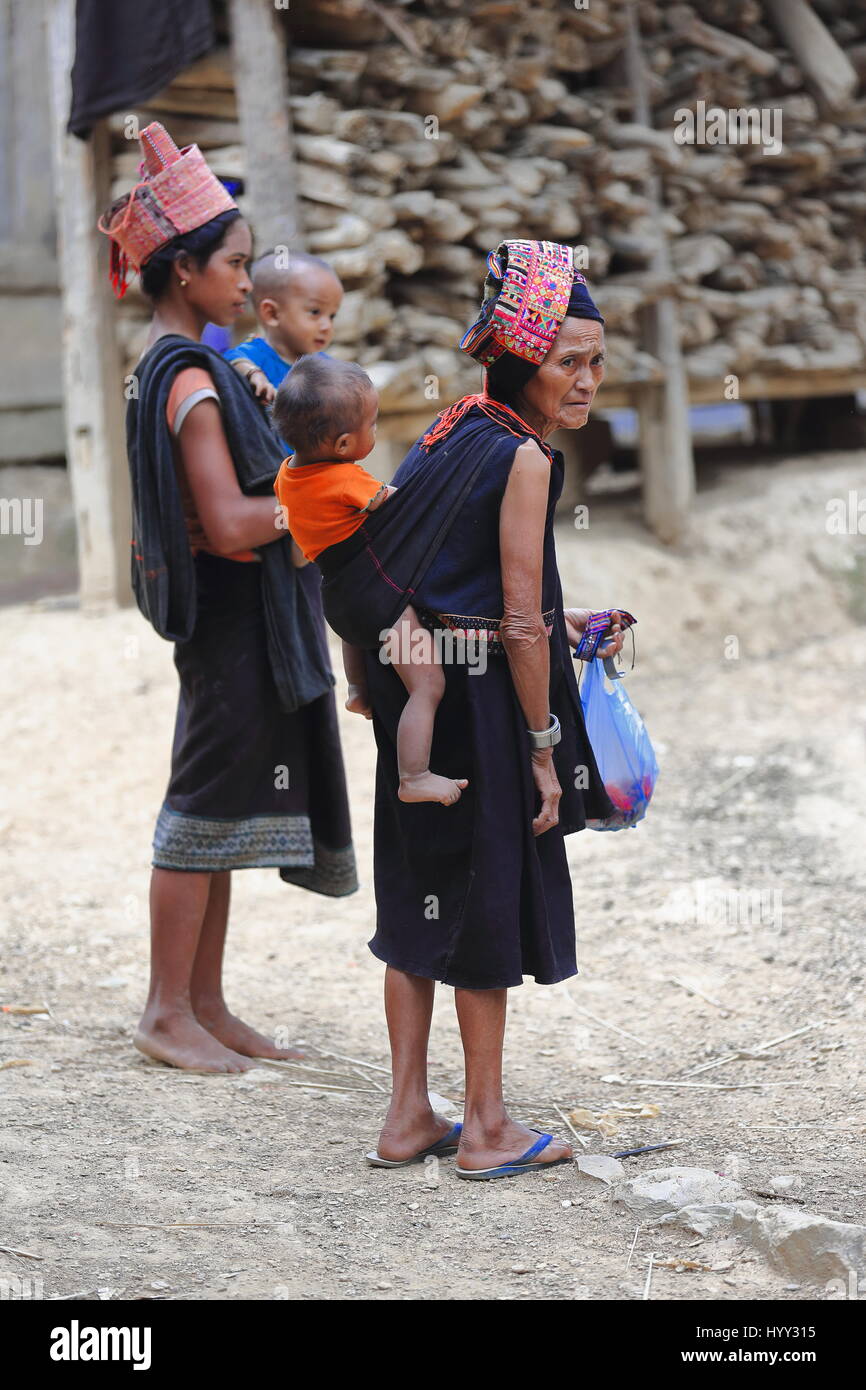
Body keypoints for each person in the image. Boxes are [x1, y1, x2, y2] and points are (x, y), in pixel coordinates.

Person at [361, 239, 628, 1178]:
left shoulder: (451, 427)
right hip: (478, 712)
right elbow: (517, 622)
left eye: (597, 359)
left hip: (416, 707)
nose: (589, 379)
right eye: (570, 361)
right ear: (523, 360)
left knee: (418, 899)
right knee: (483, 904)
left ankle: (405, 1117)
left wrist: (569, 620)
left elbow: (426, 564)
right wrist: (547, 744)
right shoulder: (522, 458)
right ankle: (484, 1129)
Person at [99, 122, 358, 1075]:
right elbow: (236, 520)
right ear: (184, 274)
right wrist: (327, 495)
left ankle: (206, 1003)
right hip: (229, 623)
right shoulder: (189, 381)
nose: (249, 286)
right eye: (236, 265)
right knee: (199, 804)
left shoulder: (201, 367)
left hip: (241, 621)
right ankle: (166, 1011)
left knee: (225, 812)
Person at [273, 355, 469, 807]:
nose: (376, 431)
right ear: (344, 444)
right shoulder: (346, 480)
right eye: (373, 424)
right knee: (427, 684)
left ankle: (358, 689)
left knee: (356, 632)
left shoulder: (288, 473)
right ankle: (414, 775)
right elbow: (400, 505)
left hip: (337, 593)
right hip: (376, 592)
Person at [224, 248, 343, 407]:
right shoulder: (256, 355)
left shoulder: (325, 367)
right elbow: (233, 360)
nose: (327, 326)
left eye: (332, 316)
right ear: (272, 313)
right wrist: (254, 374)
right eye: (315, 312)